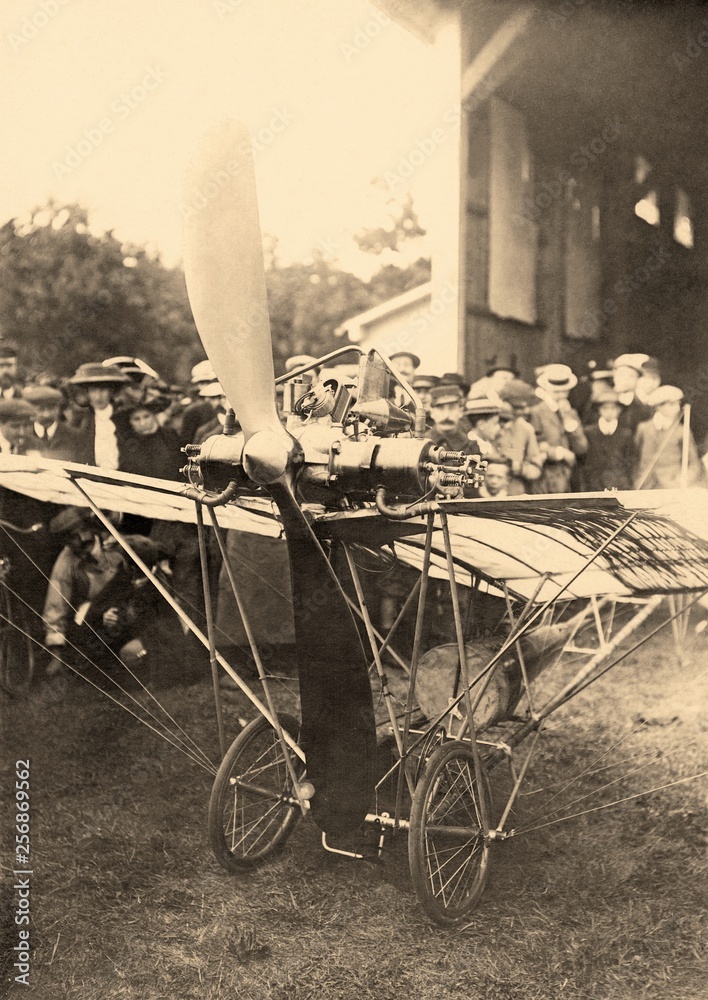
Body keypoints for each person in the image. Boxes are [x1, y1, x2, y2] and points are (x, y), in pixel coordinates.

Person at [42, 508, 125, 674]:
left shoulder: (115, 544)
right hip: (94, 619)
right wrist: (56, 655)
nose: (75, 543)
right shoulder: (66, 561)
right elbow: (55, 605)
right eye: (69, 540)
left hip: (124, 609)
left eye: (77, 536)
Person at [530, 364, 588, 494]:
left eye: (565, 391)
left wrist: (570, 424)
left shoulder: (571, 413)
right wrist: (559, 453)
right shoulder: (537, 412)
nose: (562, 395)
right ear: (546, 390)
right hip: (546, 477)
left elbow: (582, 448)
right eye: (556, 391)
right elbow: (534, 444)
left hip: (570, 476)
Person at [634, 386, 704, 490]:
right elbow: (634, 457)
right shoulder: (643, 429)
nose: (677, 408)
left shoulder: (682, 431)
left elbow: (694, 463)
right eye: (671, 404)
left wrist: (685, 478)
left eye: (678, 404)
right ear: (658, 407)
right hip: (645, 485)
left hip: (671, 485)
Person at [68, 363, 130, 469]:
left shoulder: (123, 418)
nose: (98, 397)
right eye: (93, 391)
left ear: (111, 392)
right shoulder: (82, 420)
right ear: (87, 394)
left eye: (102, 390)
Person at [580, 388, 637, 492]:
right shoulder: (589, 432)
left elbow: (631, 460)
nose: (609, 412)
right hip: (594, 484)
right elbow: (584, 461)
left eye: (613, 409)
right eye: (605, 408)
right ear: (599, 410)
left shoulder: (626, 434)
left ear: (619, 410)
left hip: (620, 483)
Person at [497, 379, 545, 493]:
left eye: (527, 406)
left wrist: (520, 468)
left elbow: (536, 467)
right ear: (504, 403)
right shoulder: (488, 424)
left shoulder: (525, 428)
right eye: (519, 407)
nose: (526, 411)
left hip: (514, 493)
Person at [23, 384, 86, 462]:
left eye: (51, 408)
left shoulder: (75, 437)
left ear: (58, 408)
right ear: (30, 410)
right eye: (40, 409)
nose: (47, 414)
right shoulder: (23, 436)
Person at [425, 384, 479, 454]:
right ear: (432, 412)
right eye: (440, 408)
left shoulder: (471, 445)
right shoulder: (424, 443)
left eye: (452, 408)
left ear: (460, 411)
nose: (446, 415)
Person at [612, 353, 652, 433]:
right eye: (620, 375)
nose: (624, 380)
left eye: (630, 376)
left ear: (638, 380)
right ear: (614, 377)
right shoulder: (601, 403)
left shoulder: (644, 409)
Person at [464, 395, 503, 459]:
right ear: (481, 425)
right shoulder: (470, 447)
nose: (498, 427)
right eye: (494, 423)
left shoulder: (487, 443)